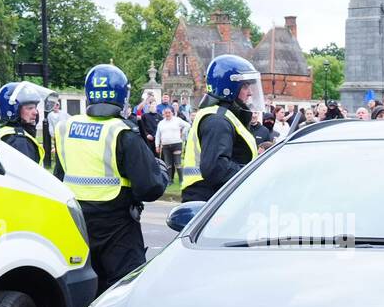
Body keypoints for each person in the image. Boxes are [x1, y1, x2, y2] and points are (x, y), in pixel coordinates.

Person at [57, 64, 169, 294]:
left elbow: (59, 175)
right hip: (118, 229)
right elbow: (150, 187)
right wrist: (162, 172)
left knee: (84, 290)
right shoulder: (123, 133)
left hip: (75, 222)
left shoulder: (66, 128)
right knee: (123, 292)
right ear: (123, 96)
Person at [181, 54, 263, 202]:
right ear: (228, 88)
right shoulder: (218, 120)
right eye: (245, 85)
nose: (250, 92)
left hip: (215, 197)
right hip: (208, 200)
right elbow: (216, 169)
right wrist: (252, 173)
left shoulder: (225, 116)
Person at [0, 81, 52, 165]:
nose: (35, 112)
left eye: (35, 107)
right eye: (30, 108)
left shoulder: (4, 131)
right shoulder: (19, 140)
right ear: (13, 110)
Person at [154, 104, 189, 186]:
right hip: (165, 146)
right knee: (168, 164)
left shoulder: (177, 120)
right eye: (166, 113)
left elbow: (187, 125)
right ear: (164, 114)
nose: (167, 114)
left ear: (172, 113)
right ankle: (169, 180)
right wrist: (157, 145)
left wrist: (183, 134)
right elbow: (158, 135)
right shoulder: (161, 123)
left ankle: (181, 180)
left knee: (178, 163)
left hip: (176, 144)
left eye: (169, 112)